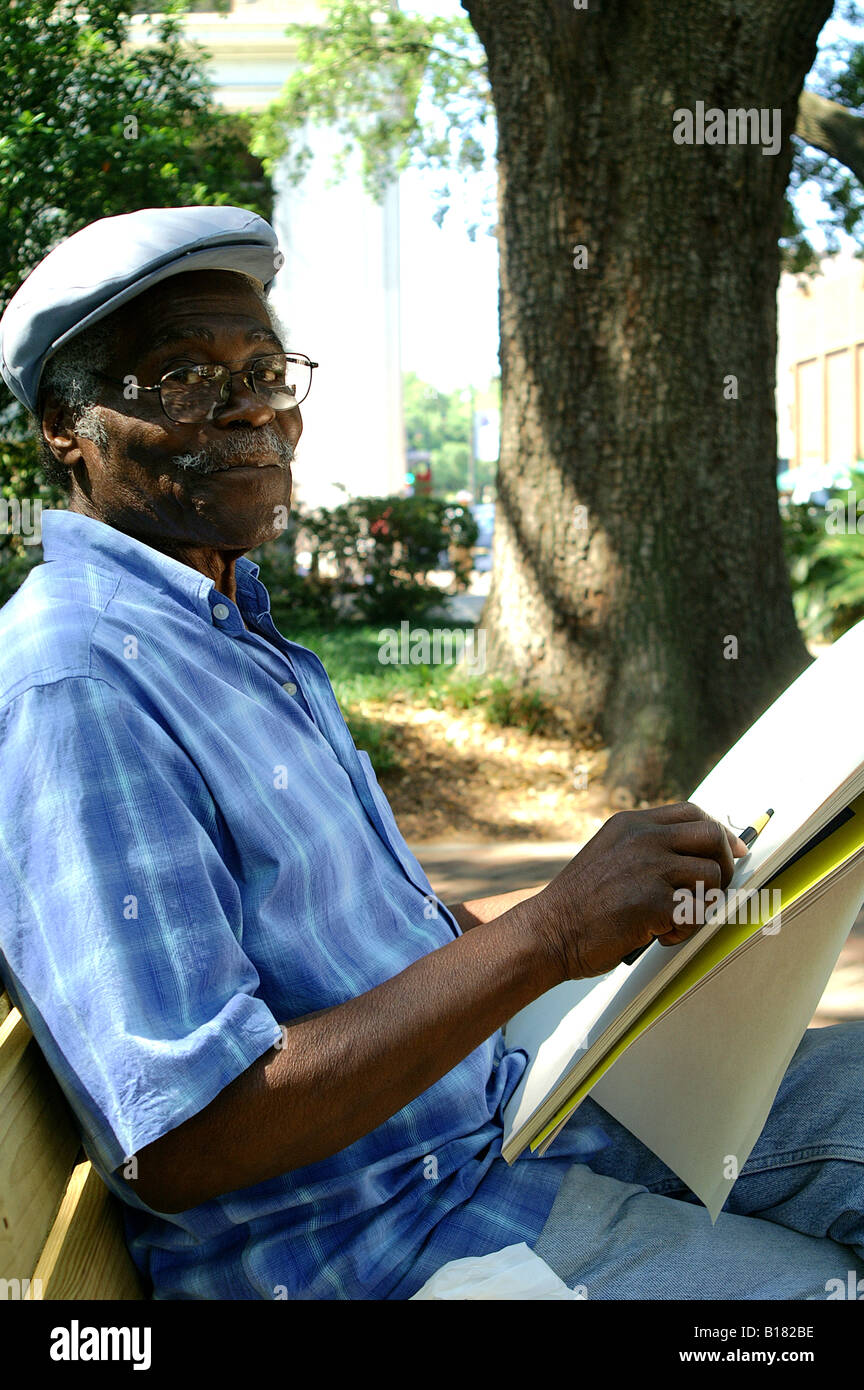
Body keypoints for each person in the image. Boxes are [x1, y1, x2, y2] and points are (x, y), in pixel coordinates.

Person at [0, 206, 862, 1301]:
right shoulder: (78, 681)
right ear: (65, 430)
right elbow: (185, 1139)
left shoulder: (222, 624)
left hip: (498, 1112)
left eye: (265, 369)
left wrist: (601, 932)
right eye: (183, 377)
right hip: (386, 1239)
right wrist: (552, 934)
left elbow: (353, 935)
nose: (251, 406)